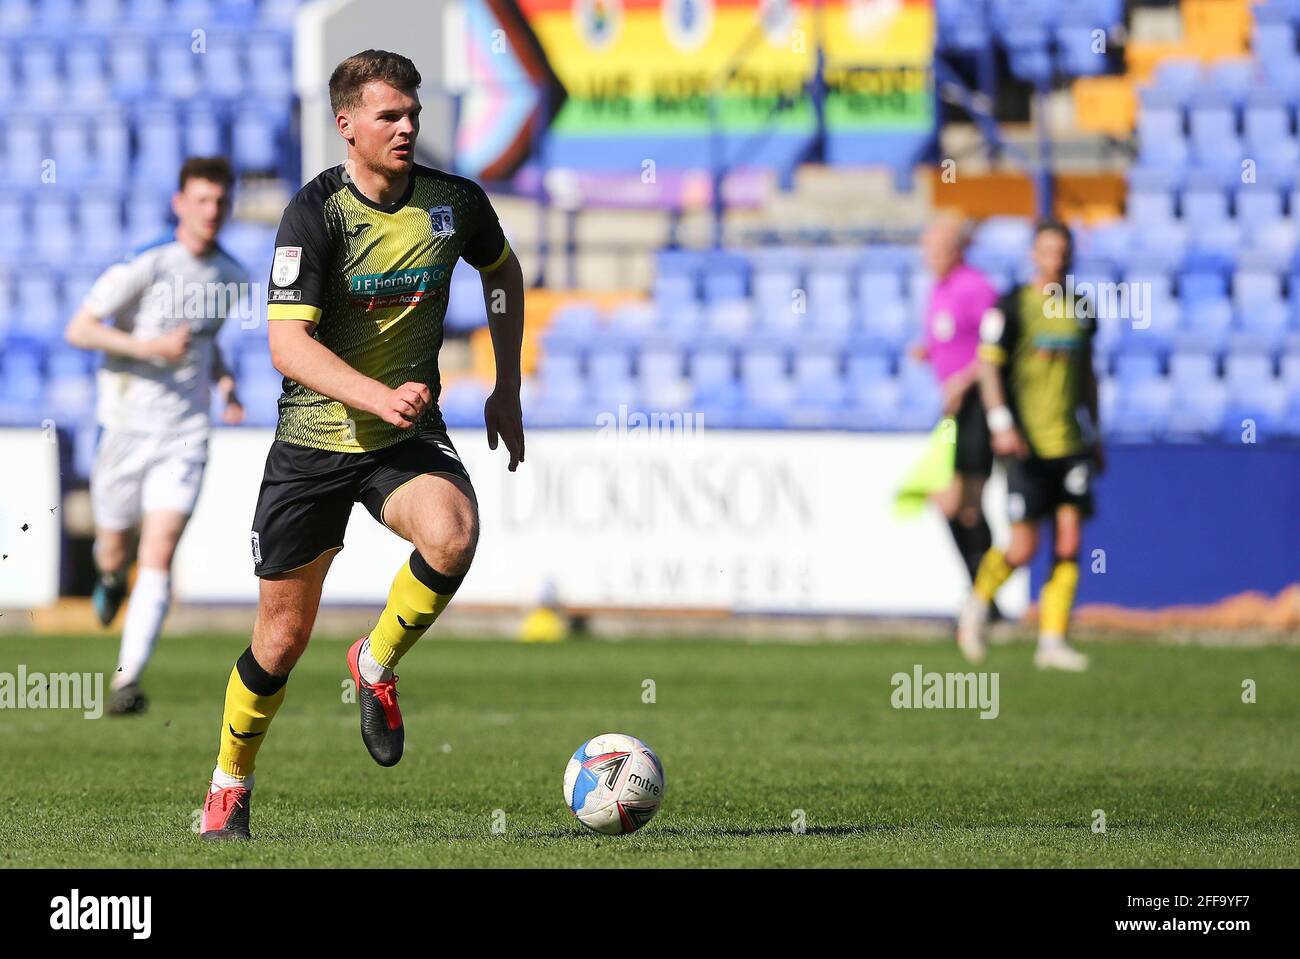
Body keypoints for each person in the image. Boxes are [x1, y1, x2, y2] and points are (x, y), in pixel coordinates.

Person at [199, 50, 526, 840]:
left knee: (453, 535)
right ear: (346, 126)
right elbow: (288, 347)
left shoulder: (453, 204)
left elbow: (503, 272)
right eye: (390, 115)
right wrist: (378, 392)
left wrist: (506, 383)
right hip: (313, 442)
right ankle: (229, 784)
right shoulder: (316, 215)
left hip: (400, 439)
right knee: (279, 640)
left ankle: (375, 663)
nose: (407, 125)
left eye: (412, 113)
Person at [64, 156, 247, 715]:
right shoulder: (146, 263)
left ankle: (126, 680)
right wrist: (148, 349)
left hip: (185, 433)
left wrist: (226, 383)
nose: (211, 211)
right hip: (124, 427)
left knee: (160, 549)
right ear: (179, 204)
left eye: (219, 201)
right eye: (201, 200)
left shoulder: (232, 276)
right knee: (115, 547)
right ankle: (110, 575)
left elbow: (206, 342)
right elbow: (79, 328)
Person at [956, 220, 1102, 671]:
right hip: (1025, 444)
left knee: (1070, 537)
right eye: (1047, 250)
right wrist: (1001, 422)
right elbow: (988, 369)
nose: (1055, 259)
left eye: (1062, 251)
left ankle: (1052, 640)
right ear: (1034, 255)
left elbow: (1086, 376)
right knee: (1023, 546)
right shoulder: (1013, 307)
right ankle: (977, 606)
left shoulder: (1081, 309)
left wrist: (1095, 432)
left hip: (1070, 441)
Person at [911, 214, 1000, 602]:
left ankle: (985, 591)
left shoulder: (975, 288)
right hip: (951, 408)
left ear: (956, 250)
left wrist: (965, 381)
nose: (929, 258)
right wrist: (927, 352)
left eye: (936, 250)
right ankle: (981, 591)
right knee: (946, 500)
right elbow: (950, 339)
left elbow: (995, 348)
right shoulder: (938, 288)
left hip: (976, 406)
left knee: (967, 505)